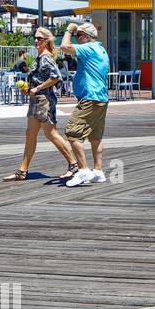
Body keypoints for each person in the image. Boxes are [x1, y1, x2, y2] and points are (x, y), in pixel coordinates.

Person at [1, 28, 77, 182]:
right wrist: (28, 89)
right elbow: (38, 78)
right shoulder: (39, 57)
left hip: (44, 99)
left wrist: (37, 88)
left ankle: (74, 164)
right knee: (30, 135)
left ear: (46, 41)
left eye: (40, 39)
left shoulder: (46, 58)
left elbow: (56, 77)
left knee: (51, 134)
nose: (36, 41)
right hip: (36, 99)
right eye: (35, 38)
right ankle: (22, 171)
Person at [60, 21, 110, 187]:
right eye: (76, 35)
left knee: (73, 132)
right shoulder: (100, 49)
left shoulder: (89, 48)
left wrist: (69, 29)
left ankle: (83, 170)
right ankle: (98, 171)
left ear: (88, 37)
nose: (76, 37)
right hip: (100, 99)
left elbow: (64, 47)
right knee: (95, 136)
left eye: (78, 35)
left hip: (90, 98)